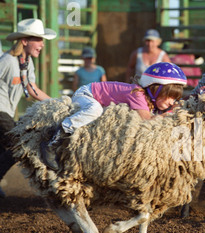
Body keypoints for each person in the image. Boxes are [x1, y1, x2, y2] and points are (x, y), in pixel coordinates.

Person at [41, 62, 187, 171]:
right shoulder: (138, 93)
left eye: (175, 99)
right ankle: (55, 136)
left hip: (97, 97)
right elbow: (147, 120)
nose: (171, 102)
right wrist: (171, 112)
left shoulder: (148, 99)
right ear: (155, 89)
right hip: (87, 94)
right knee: (94, 110)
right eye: (169, 96)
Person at [0, 18, 56, 198]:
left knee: (3, 149)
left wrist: (56, 103)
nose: (42, 44)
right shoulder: (7, 61)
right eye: (38, 40)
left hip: (7, 111)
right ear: (24, 41)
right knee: (19, 144)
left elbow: (32, 88)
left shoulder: (27, 62)